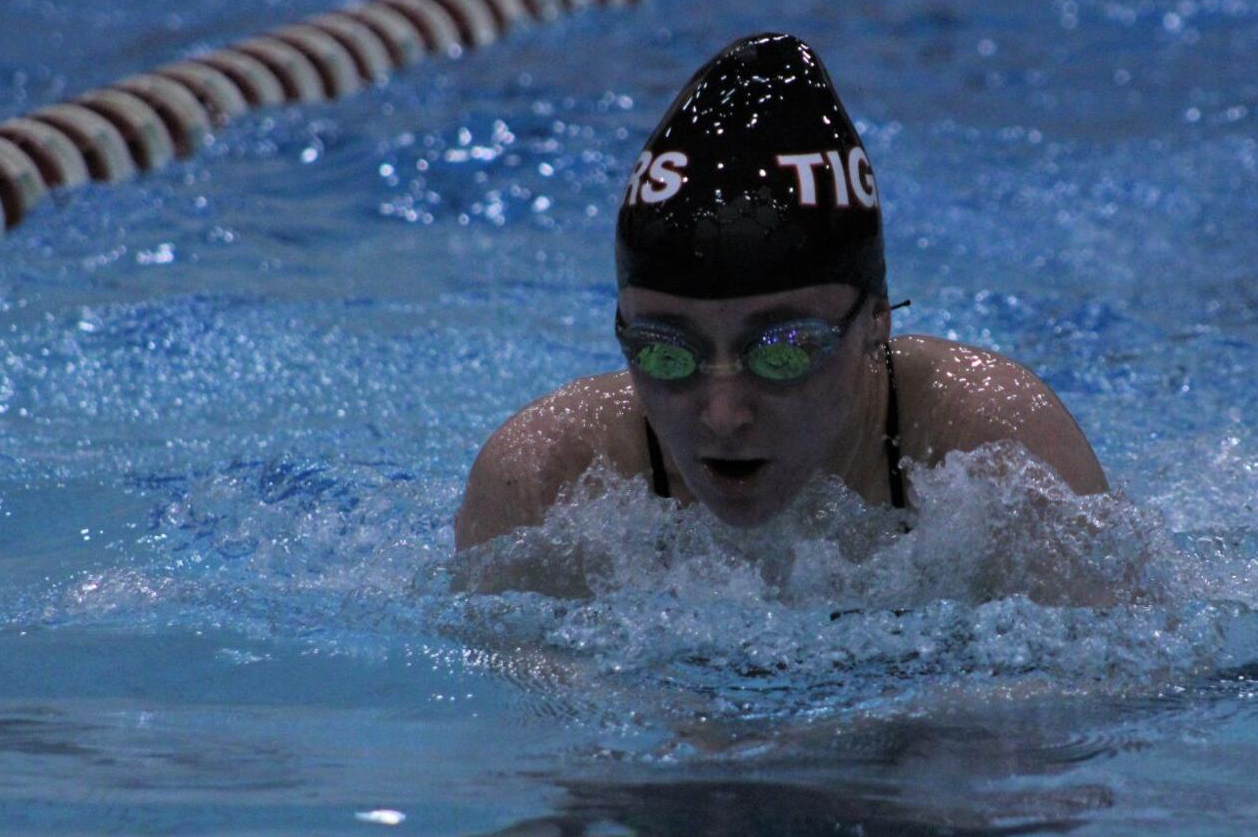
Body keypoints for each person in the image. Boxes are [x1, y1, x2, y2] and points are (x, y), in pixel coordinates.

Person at [455, 33, 1107, 550]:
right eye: (664, 352)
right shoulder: (541, 486)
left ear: (875, 322)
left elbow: (1116, 696)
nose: (722, 414)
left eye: (784, 349)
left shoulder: (996, 452)